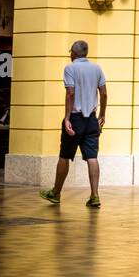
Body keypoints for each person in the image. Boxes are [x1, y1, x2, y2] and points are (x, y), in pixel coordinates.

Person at [40, 40, 107, 208]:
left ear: (74, 53)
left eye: (70, 51)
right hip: (92, 119)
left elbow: (70, 93)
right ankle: (95, 195)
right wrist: (102, 115)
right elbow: (104, 94)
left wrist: (67, 118)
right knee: (92, 157)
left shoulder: (70, 68)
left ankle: (55, 193)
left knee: (65, 156)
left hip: (75, 119)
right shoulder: (97, 68)